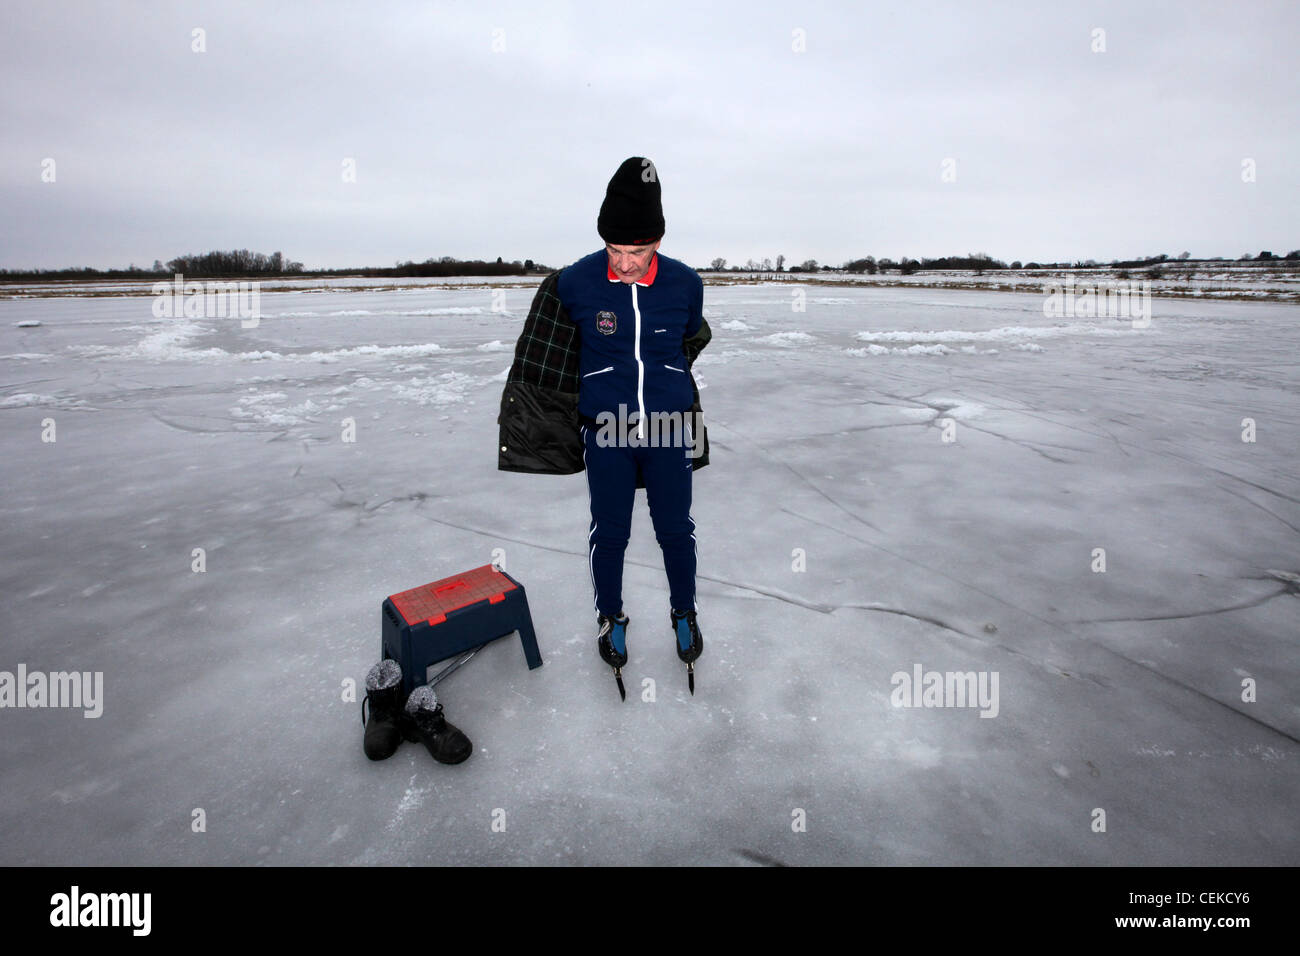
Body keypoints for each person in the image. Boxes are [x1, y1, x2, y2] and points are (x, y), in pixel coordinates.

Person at [497, 156, 712, 698]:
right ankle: (611, 617)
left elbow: (688, 341)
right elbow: (548, 356)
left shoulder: (686, 284)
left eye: (636, 252)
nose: (626, 263)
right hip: (607, 428)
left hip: (666, 428)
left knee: (674, 530)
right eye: (616, 251)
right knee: (609, 532)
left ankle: (683, 613)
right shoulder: (576, 283)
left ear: (657, 242)